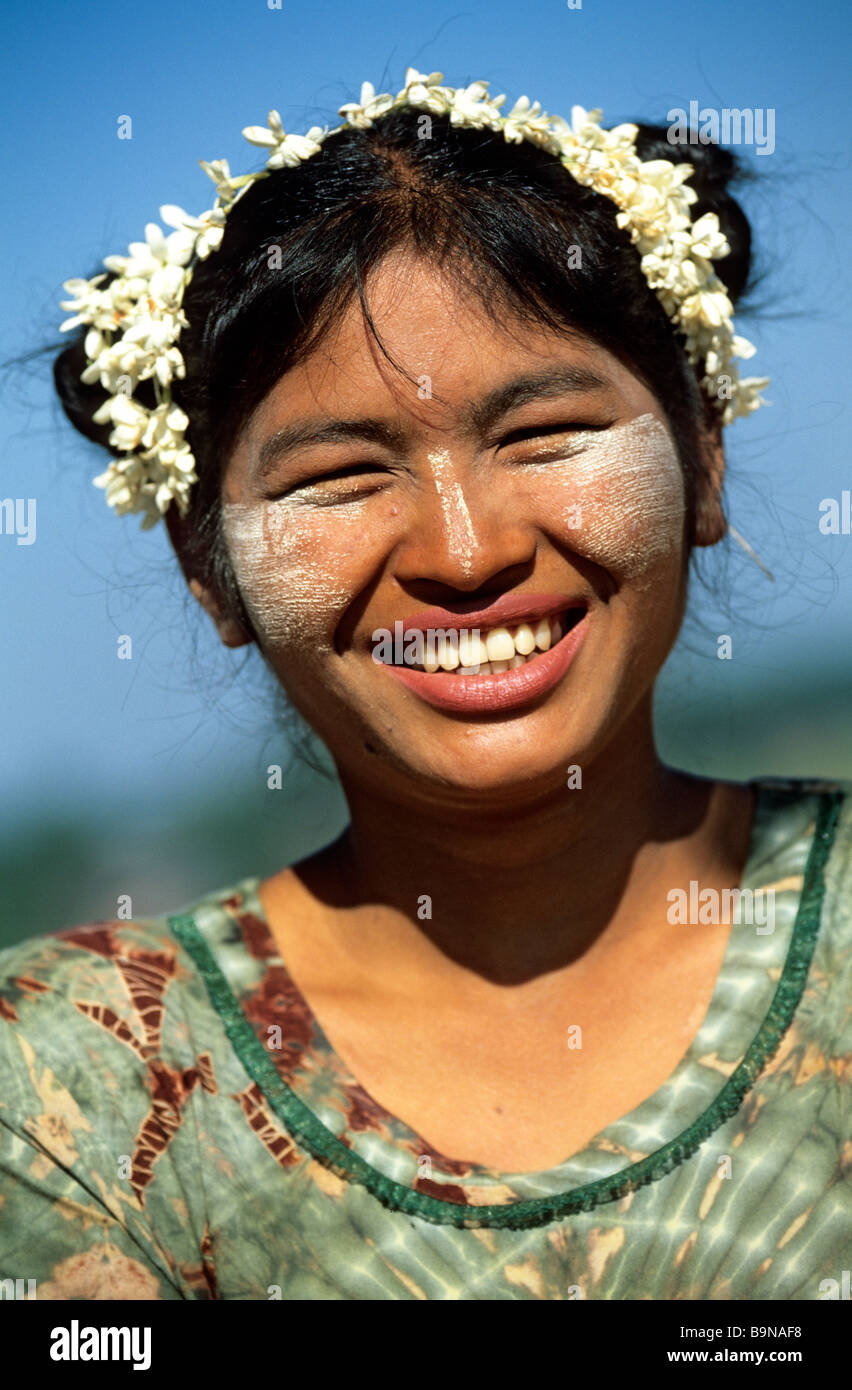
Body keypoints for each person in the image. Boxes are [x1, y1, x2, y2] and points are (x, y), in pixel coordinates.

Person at [1, 68, 849, 1301]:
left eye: (543, 434)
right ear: (209, 566)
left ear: (703, 455)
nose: (467, 554)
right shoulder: (67, 1085)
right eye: (341, 475)